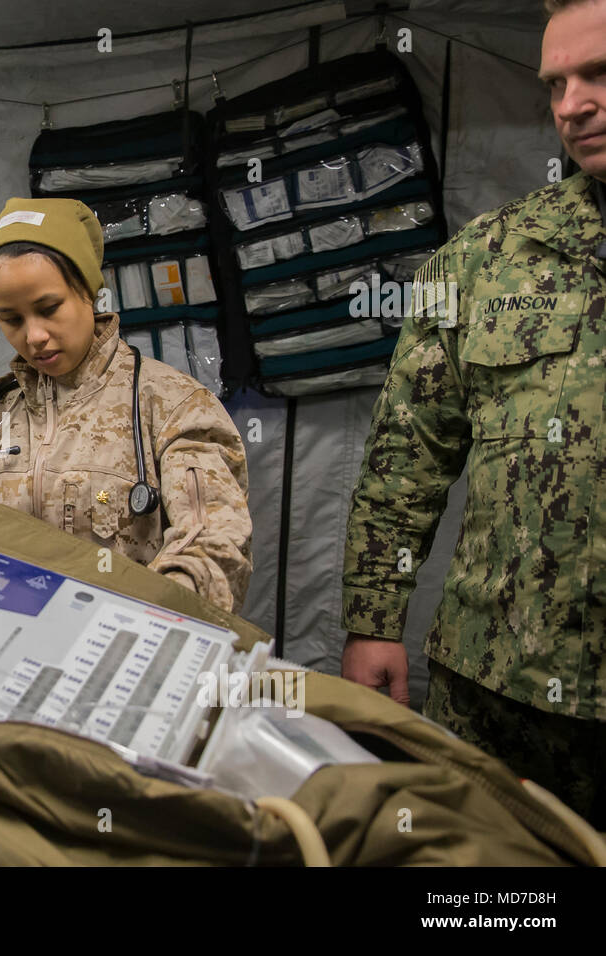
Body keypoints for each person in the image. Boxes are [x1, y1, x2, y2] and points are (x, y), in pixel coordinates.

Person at [341, 0, 606, 825]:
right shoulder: (491, 259)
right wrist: (373, 621)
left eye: (597, 73)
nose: (570, 105)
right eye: (556, 84)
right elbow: (405, 459)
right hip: (499, 695)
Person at [0, 198, 252, 613]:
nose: (34, 336)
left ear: (89, 292)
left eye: (49, 309)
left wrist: (154, 611)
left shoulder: (172, 406)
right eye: (11, 319)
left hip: (124, 646)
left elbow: (214, 545)